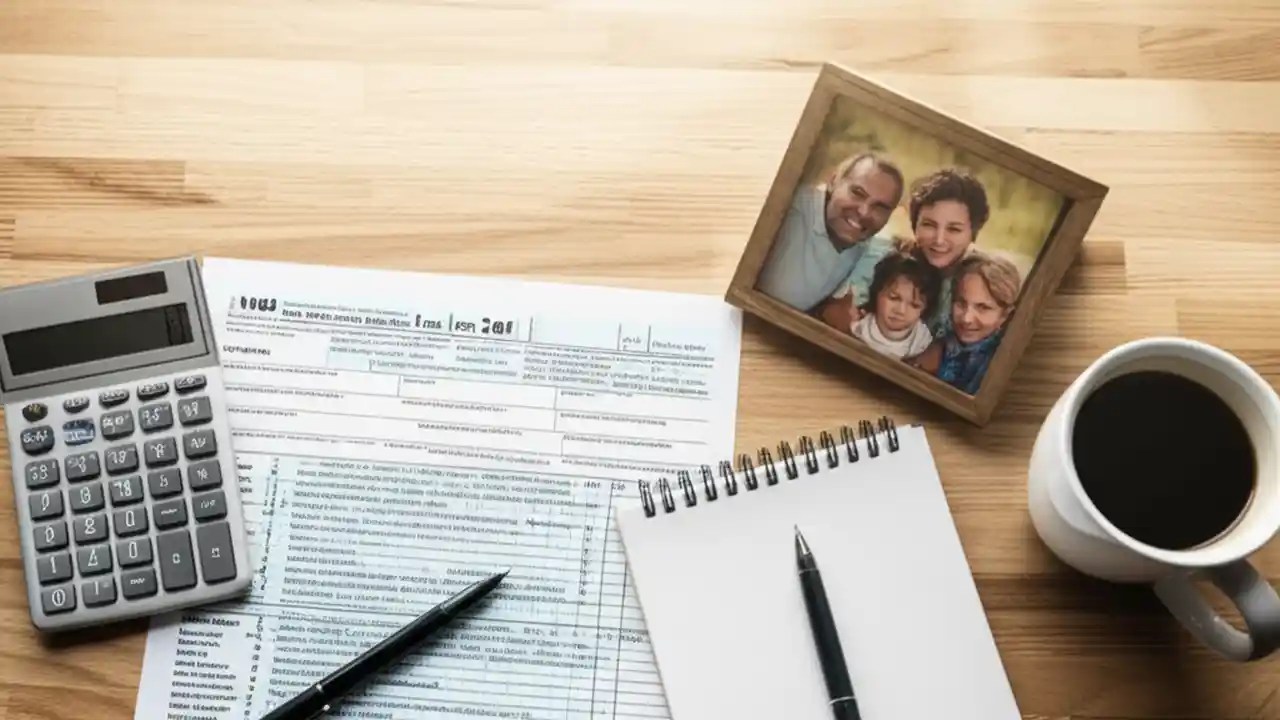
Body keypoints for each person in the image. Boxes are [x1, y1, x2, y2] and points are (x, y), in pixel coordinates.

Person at [816, 167, 990, 338]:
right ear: (915, 225)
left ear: (973, 232)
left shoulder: (977, 283)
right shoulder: (882, 255)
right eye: (929, 225)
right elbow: (836, 311)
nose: (939, 240)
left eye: (954, 229)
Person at [755, 152, 905, 313]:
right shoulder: (785, 211)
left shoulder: (871, 248)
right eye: (857, 193)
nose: (864, 212)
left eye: (880, 207)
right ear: (833, 181)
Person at [910, 251, 1022, 395]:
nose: (966, 319)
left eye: (983, 308)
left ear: (1005, 315)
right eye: (961, 303)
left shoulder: (1001, 365)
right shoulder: (936, 342)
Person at [835, 251, 940, 359]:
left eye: (914, 305)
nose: (901, 310)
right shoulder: (858, 326)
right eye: (893, 298)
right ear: (877, 292)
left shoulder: (924, 342)